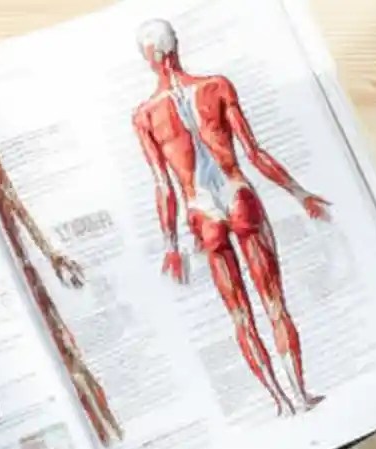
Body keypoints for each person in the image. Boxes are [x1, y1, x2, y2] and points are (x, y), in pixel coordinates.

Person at [131, 18, 329, 416]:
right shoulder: (215, 86)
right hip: (237, 195)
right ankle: (300, 394)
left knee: (240, 317)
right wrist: (300, 193)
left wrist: (170, 246)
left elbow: (164, 186)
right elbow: (254, 153)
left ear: (149, 57)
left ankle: (280, 402)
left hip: (201, 212)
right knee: (275, 304)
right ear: (176, 47)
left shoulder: (145, 115)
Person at [0, 126, 124, 447]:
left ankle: (107, 429)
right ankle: (102, 429)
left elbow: (20, 212)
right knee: (62, 357)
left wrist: (52, 256)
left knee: (68, 353)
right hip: (12, 288)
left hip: (26, 280)